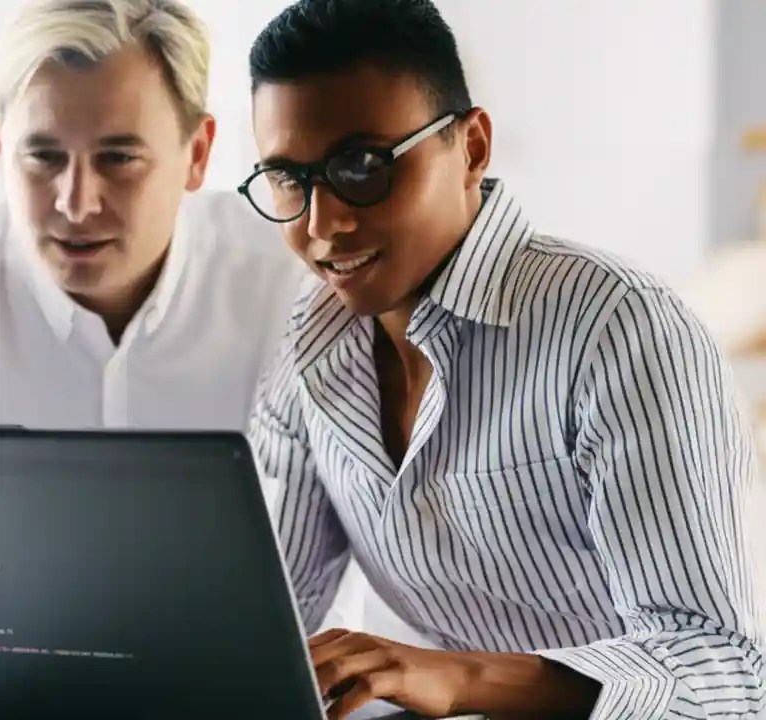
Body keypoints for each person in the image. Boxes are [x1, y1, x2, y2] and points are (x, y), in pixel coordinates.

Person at [242, 0, 765, 717]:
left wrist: (458, 679)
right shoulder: (313, 345)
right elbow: (262, 634)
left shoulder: (619, 329)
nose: (322, 224)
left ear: (473, 147)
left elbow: (724, 673)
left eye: (362, 167)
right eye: (289, 180)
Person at [0, 0, 309, 677]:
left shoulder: (296, 296)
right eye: (43, 157)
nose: (76, 202)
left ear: (196, 154)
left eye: (119, 158)